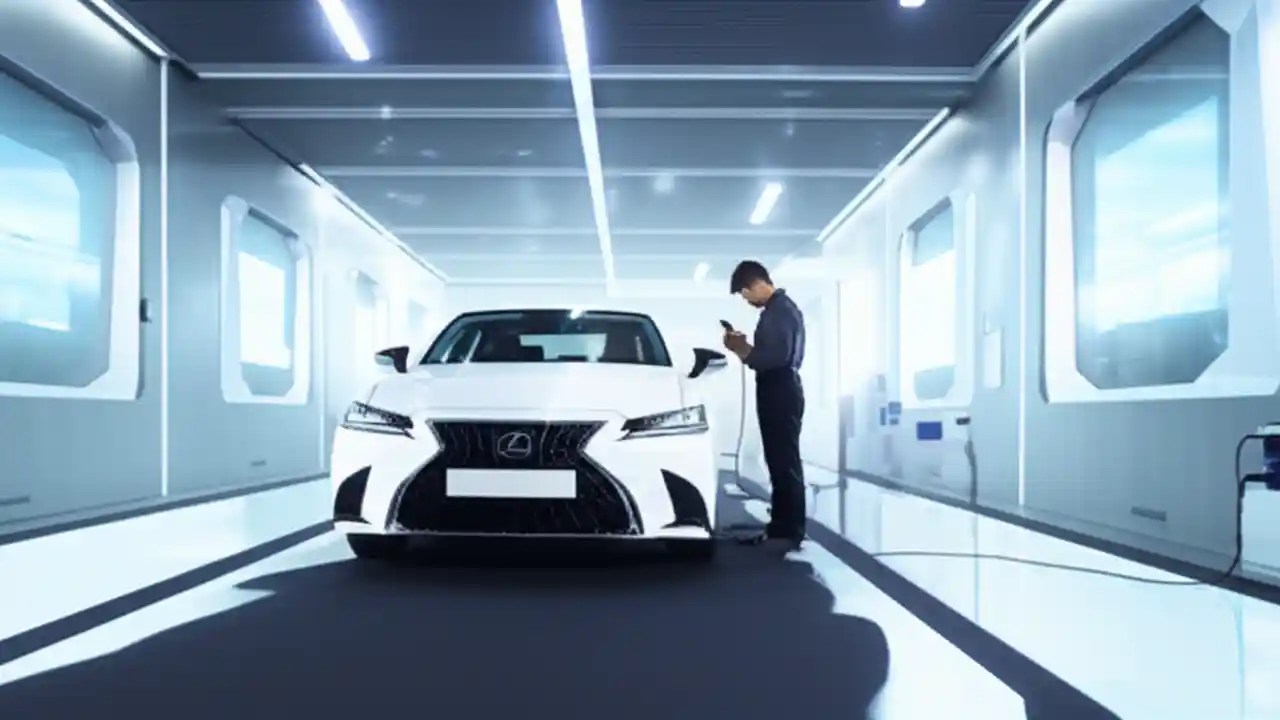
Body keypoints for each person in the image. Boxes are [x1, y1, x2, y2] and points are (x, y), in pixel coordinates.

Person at [722, 260, 807, 552]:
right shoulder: (778, 311)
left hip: (780, 388)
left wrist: (740, 349)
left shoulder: (780, 312)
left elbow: (774, 358)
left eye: (745, 293)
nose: (746, 300)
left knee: (784, 462)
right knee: (779, 460)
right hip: (779, 388)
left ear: (757, 284)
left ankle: (788, 530)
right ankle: (781, 527)